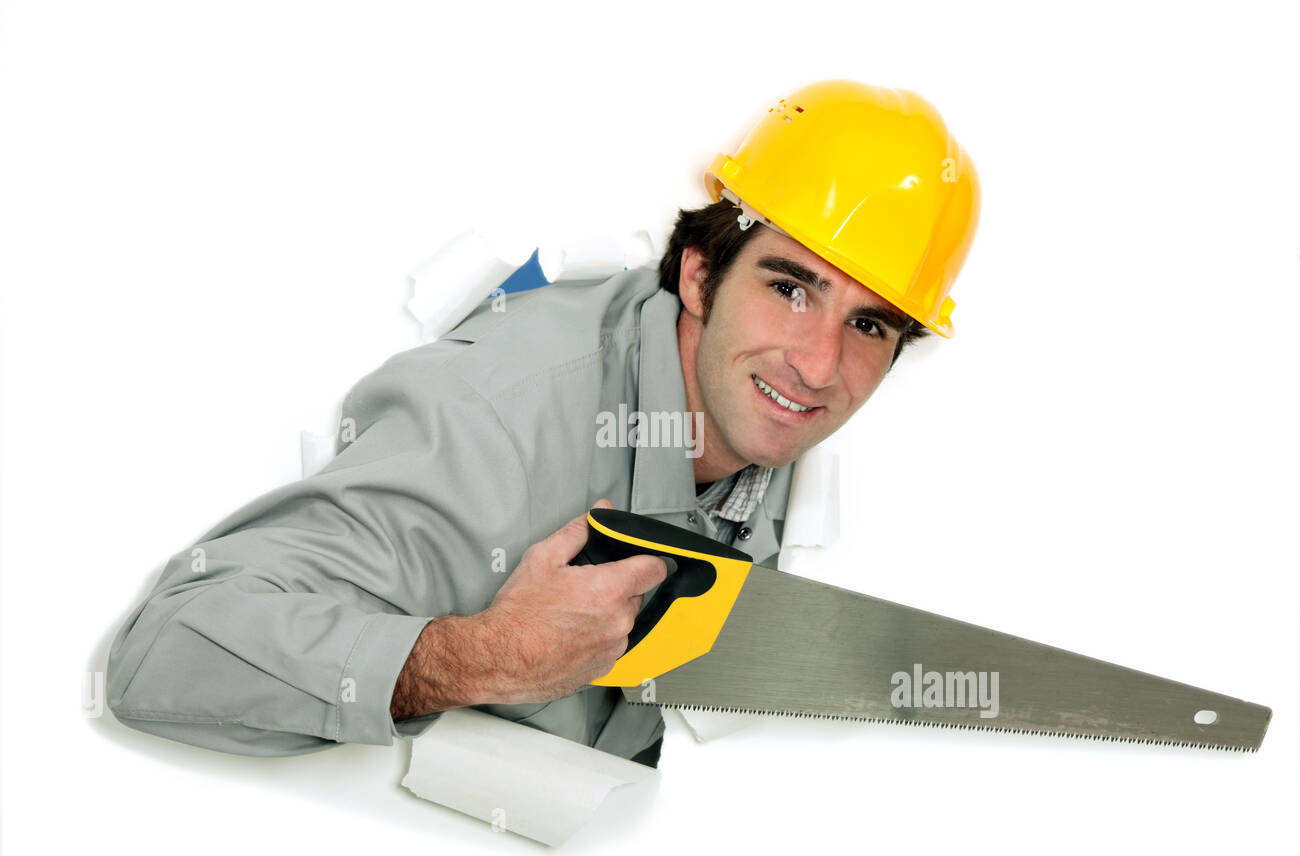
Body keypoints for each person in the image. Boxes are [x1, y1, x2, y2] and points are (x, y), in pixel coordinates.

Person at [105, 79, 980, 766]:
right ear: (702, 276)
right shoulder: (491, 425)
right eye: (791, 289)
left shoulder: (774, 424)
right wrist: (481, 656)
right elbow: (164, 649)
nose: (819, 363)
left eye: (870, 325)